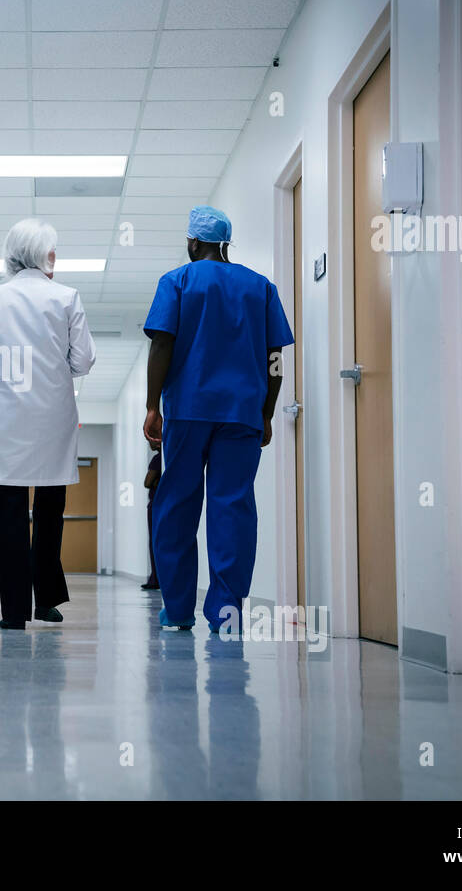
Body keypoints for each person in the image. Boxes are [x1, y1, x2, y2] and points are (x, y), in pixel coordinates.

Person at [142, 206, 293, 632]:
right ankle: (227, 613)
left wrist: (153, 405)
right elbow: (275, 358)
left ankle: (177, 609)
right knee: (232, 507)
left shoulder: (178, 281)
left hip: (188, 411)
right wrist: (265, 414)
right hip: (242, 414)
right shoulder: (260, 287)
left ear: (193, 242)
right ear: (225, 243)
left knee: (176, 506)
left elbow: (162, 345)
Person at [0, 219, 97, 630]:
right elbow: (83, 361)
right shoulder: (67, 297)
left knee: (10, 511)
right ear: (47, 256)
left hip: (5, 419)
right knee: (50, 509)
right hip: (53, 418)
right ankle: (47, 601)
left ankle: (15, 611)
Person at [142, 441, 162, 590]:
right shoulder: (170, 457)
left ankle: (155, 579)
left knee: (155, 541)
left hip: (156, 504)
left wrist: (155, 482)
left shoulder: (158, 459)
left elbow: (147, 482)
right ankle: (159, 578)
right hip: (166, 503)